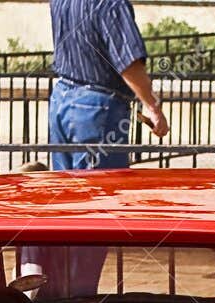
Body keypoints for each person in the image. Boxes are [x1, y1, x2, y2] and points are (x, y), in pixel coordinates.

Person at [47, 0, 168, 173]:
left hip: (61, 98)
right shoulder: (111, 4)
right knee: (101, 186)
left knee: (66, 186)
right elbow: (129, 63)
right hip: (97, 107)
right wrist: (153, 108)